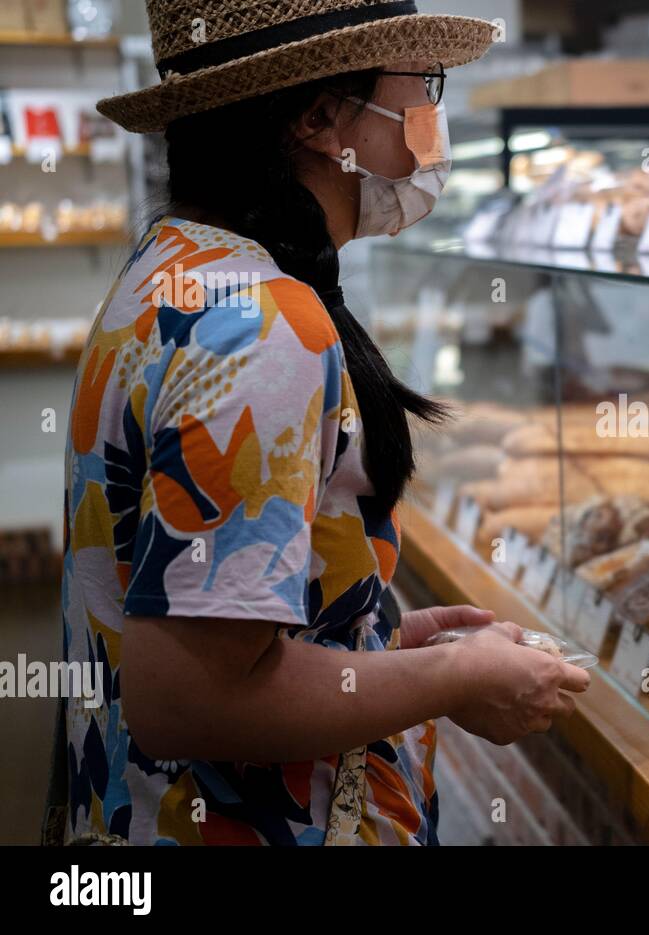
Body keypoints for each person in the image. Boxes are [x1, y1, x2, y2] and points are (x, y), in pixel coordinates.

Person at [56, 1, 587, 846]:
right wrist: (450, 677)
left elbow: (204, 609)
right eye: (420, 81)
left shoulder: (170, 267)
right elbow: (188, 698)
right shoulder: (264, 323)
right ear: (318, 117)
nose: (429, 113)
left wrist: (387, 639)